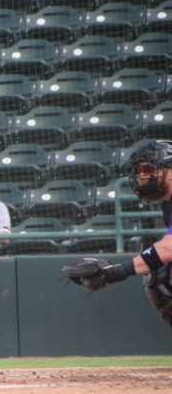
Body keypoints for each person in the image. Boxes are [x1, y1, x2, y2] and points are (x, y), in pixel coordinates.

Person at [61, 140, 172, 328]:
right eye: (140, 171)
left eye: (148, 169)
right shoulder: (168, 203)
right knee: (161, 274)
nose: (142, 176)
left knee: (161, 276)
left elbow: (168, 248)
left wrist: (117, 271)